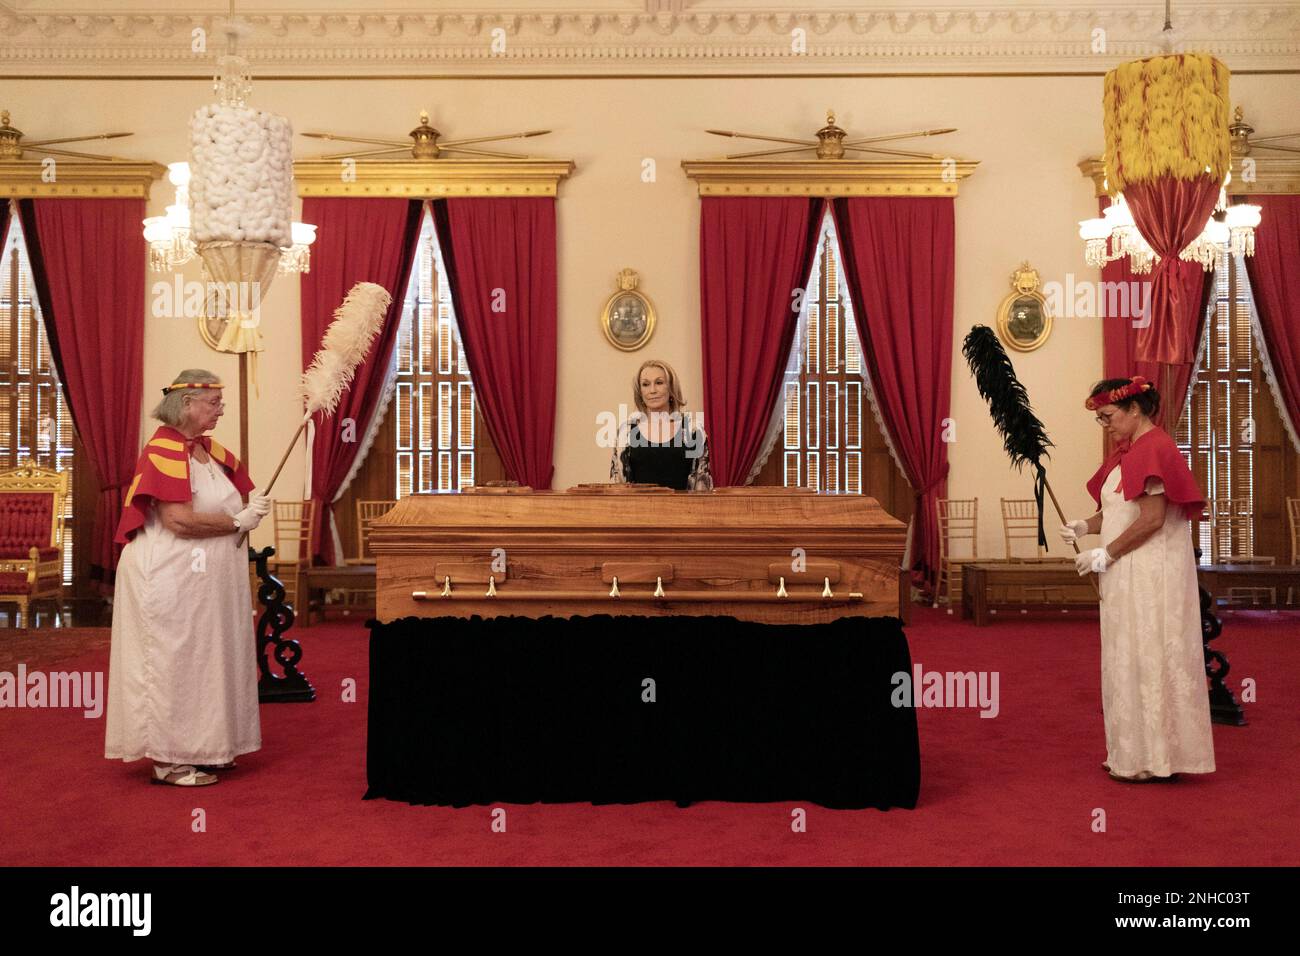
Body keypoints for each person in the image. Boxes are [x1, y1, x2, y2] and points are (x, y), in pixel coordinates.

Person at [104, 370, 272, 787]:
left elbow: (224, 503)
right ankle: (170, 760)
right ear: (185, 404)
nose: (220, 410)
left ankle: (207, 747)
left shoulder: (208, 452)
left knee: (207, 661)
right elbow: (178, 521)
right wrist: (237, 521)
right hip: (169, 576)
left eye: (220, 402)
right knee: (176, 662)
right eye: (212, 403)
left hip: (205, 582)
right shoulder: (162, 450)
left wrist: (245, 513)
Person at [1060, 376, 1215, 783]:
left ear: (1135, 409)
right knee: (1125, 657)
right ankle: (1131, 752)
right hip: (1127, 573)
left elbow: (1152, 519)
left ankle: (1156, 757)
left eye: (1108, 416)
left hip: (1149, 576)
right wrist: (1083, 527)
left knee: (1148, 656)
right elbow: (1117, 513)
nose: (1105, 425)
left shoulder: (1155, 448)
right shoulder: (1127, 452)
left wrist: (1105, 554)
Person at [609, 359, 713, 491]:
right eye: (645, 384)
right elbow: (618, 485)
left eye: (659, 383)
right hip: (636, 510)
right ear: (640, 392)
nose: (652, 390)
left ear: (671, 388)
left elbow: (702, 486)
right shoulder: (626, 432)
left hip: (683, 510)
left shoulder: (693, 430)